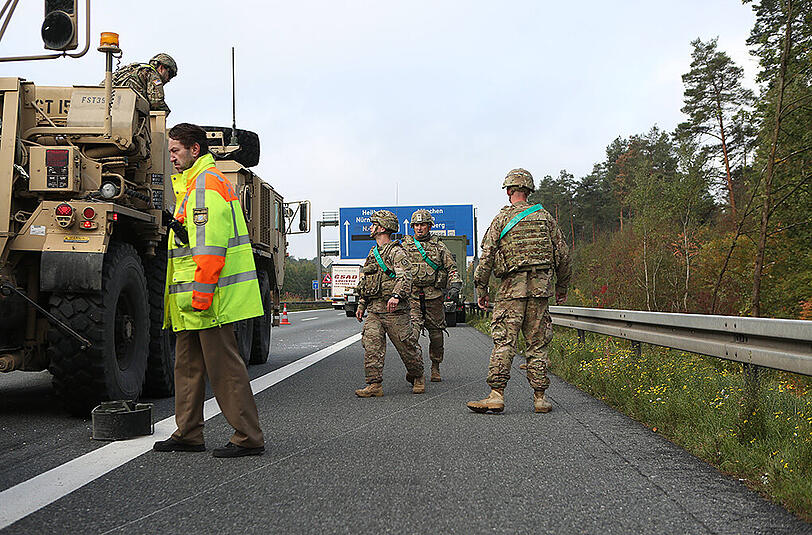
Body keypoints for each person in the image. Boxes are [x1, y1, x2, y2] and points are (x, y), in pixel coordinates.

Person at [153, 123, 265, 458]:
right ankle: (188, 432)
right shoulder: (192, 185)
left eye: (175, 151)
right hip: (191, 300)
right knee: (186, 368)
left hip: (207, 299)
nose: (171, 157)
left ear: (195, 150)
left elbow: (211, 248)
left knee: (225, 370)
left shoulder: (204, 186)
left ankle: (248, 437)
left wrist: (201, 295)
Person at [467, 168, 571, 414]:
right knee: (538, 345)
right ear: (529, 190)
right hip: (540, 291)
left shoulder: (501, 219)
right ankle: (540, 398)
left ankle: (496, 395)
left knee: (504, 342)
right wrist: (562, 287)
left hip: (510, 292)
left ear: (509, 191)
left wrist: (481, 289)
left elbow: (487, 257)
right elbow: (563, 255)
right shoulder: (545, 217)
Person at [354, 210, 425, 397]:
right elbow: (366, 282)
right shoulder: (372, 253)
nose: (370, 227)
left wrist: (396, 295)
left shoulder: (397, 252)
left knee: (407, 347)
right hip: (375, 310)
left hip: (395, 311)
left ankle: (418, 376)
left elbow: (405, 277)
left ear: (382, 227)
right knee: (371, 345)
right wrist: (361, 304)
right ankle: (374, 384)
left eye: (373, 224)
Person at [401, 209, 462, 382]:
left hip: (433, 297)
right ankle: (414, 367)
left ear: (429, 226)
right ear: (413, 227)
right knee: (411, 334)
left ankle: (435, 365)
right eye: (417, 225)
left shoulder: (439, 247)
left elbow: (452, 268)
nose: (420, 228)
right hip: (412, 296)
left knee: (436, 335)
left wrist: (455, 285)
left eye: (423, 225)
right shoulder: (404, 247)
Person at [112, 53, 177, 115]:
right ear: (161, 68)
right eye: (170, 74)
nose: (168, 80)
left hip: (110, 108)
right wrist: (165, 111)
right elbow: (156, 102)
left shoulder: (130, 71)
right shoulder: (153, 75)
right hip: (128, 113)